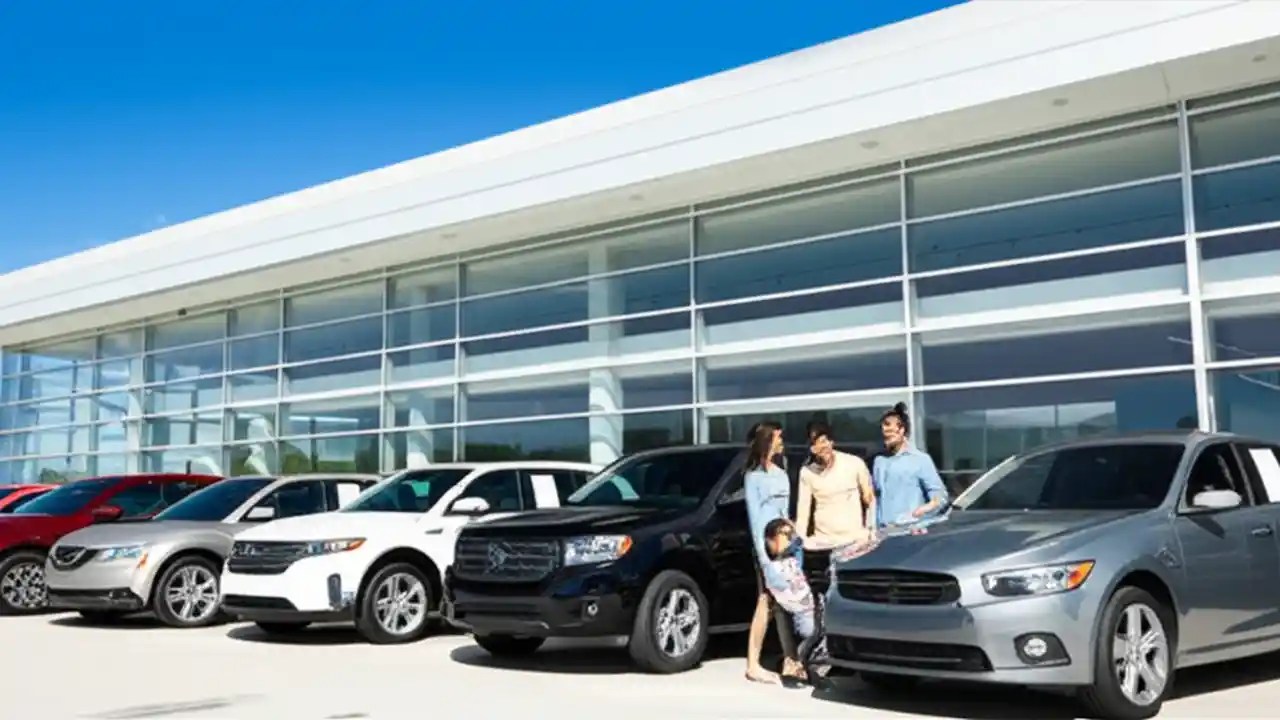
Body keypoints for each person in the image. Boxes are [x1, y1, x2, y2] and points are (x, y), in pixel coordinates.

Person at [742, 421, 803, 684]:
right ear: (767, 441)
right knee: (766, 601)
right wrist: (765, 560)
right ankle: (753, 664)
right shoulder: (753, 477)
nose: (782, 442)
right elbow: (756, 520)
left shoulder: (781, 474)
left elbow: (784, 515)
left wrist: (795, 542)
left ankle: (791, 660)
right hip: (766, 548)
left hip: (786, 546)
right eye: (778, 438)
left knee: (784, 603)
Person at [796, 421, 875, 549]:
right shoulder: (807, 472)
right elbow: (803, 513)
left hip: (855, 540)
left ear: (831, 442)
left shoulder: (854, 463)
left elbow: (870, 500)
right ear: (811, 449)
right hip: (824, 541)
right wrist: (801, 543)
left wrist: (870, 531)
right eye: (817, 444)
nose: (823, 447)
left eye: (825, 441)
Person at [872, 402, 949, 529]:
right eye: (884, 435)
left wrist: (923, 510)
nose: (886, 436)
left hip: (910, 530)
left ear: (902, 430)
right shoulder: (879, 461)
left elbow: (940, 496)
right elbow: (876, 497)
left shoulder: (920, 460)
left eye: (890, 432)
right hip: (883, 532)